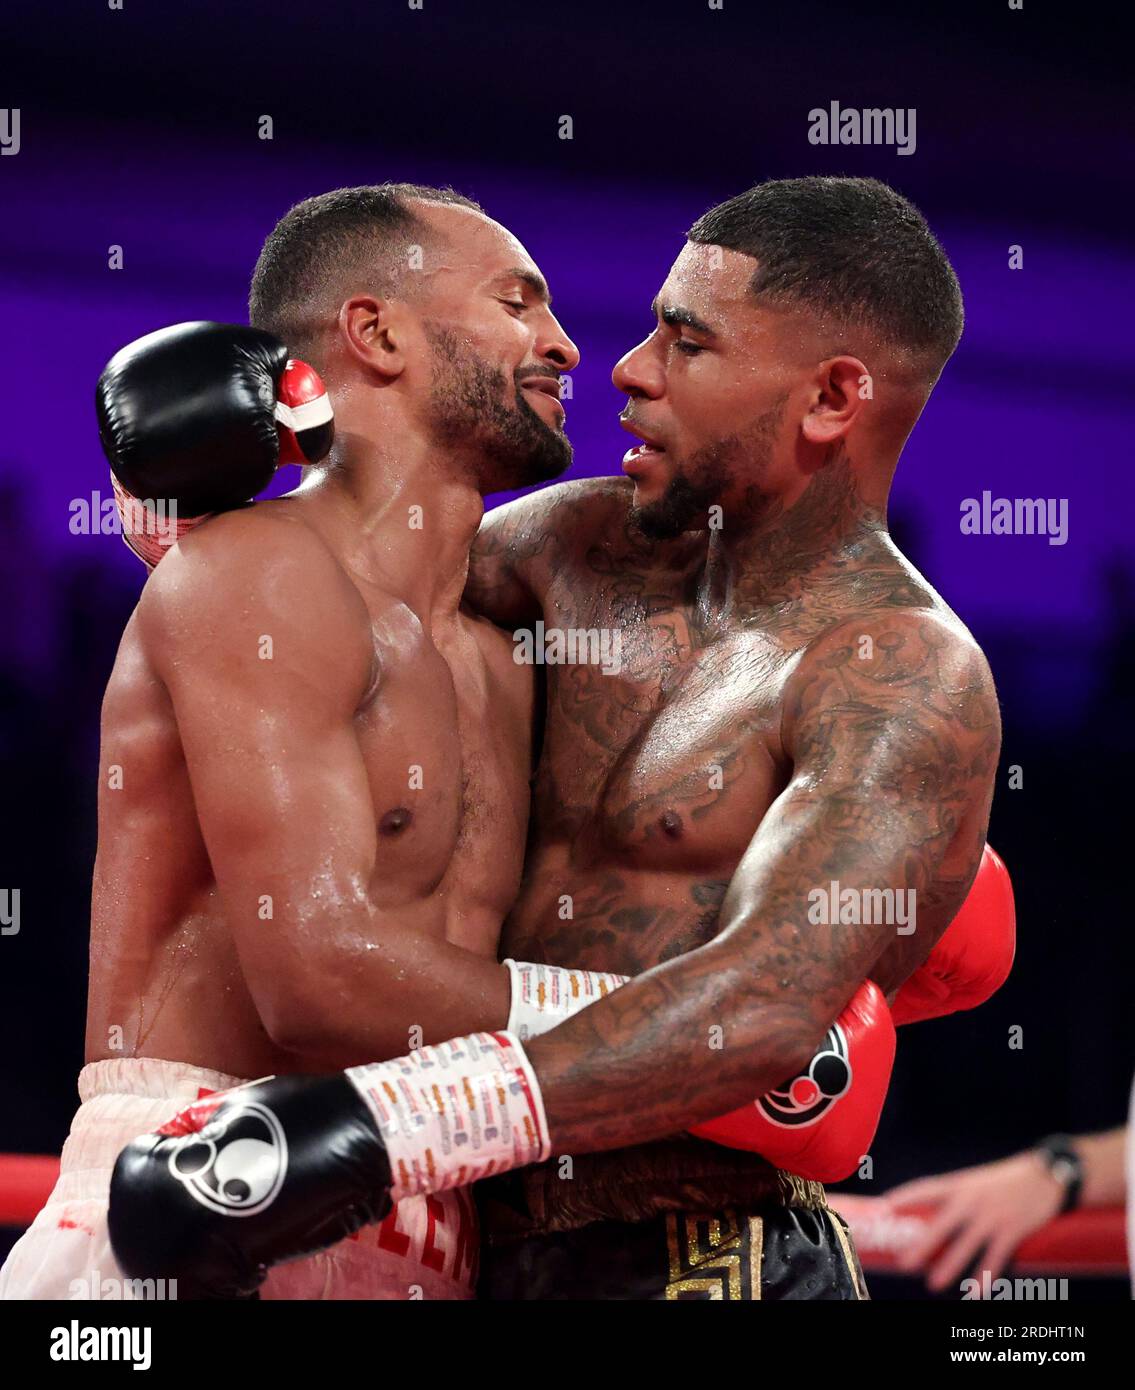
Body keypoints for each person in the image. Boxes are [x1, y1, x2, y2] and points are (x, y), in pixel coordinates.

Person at [108, 177, 1008, 1301]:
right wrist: (180, 472)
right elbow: (322, 603)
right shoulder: (567, 547)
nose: (626, 366)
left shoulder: (903, 672)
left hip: (702, 1250)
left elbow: (767, 1011)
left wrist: (382, 1125)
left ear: (830, 398)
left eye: (685, 343)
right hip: (475, 1246)